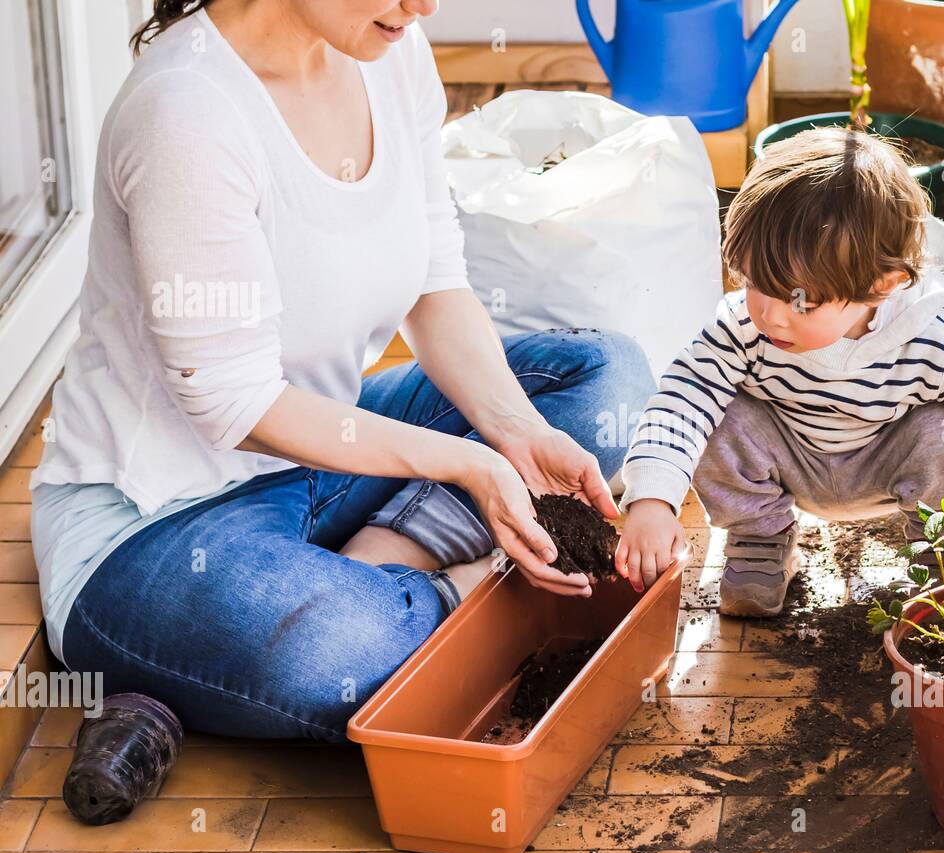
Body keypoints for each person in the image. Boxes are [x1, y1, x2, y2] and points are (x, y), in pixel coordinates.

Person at [29, 0, 654, 741]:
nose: (424, 6)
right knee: (341, 652)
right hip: (159, 521)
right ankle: (436, 589)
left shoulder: (390, 53)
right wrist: (469, 465)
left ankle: (384, 567)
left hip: (327, 452)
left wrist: (513, 435)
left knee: (605, 374)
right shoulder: (186, 112)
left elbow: (435, 280)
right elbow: (232, 404)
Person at [615, 127, 944, 616]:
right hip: (789, 461)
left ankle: (939, 553)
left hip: (891, 464)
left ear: (882, 286)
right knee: (717, 413)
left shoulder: (937, 339)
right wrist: (652, 497)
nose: (770, 314)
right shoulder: (743, 326)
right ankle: (761, 537)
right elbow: (681, 398)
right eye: (757, 282)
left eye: (801, 301)